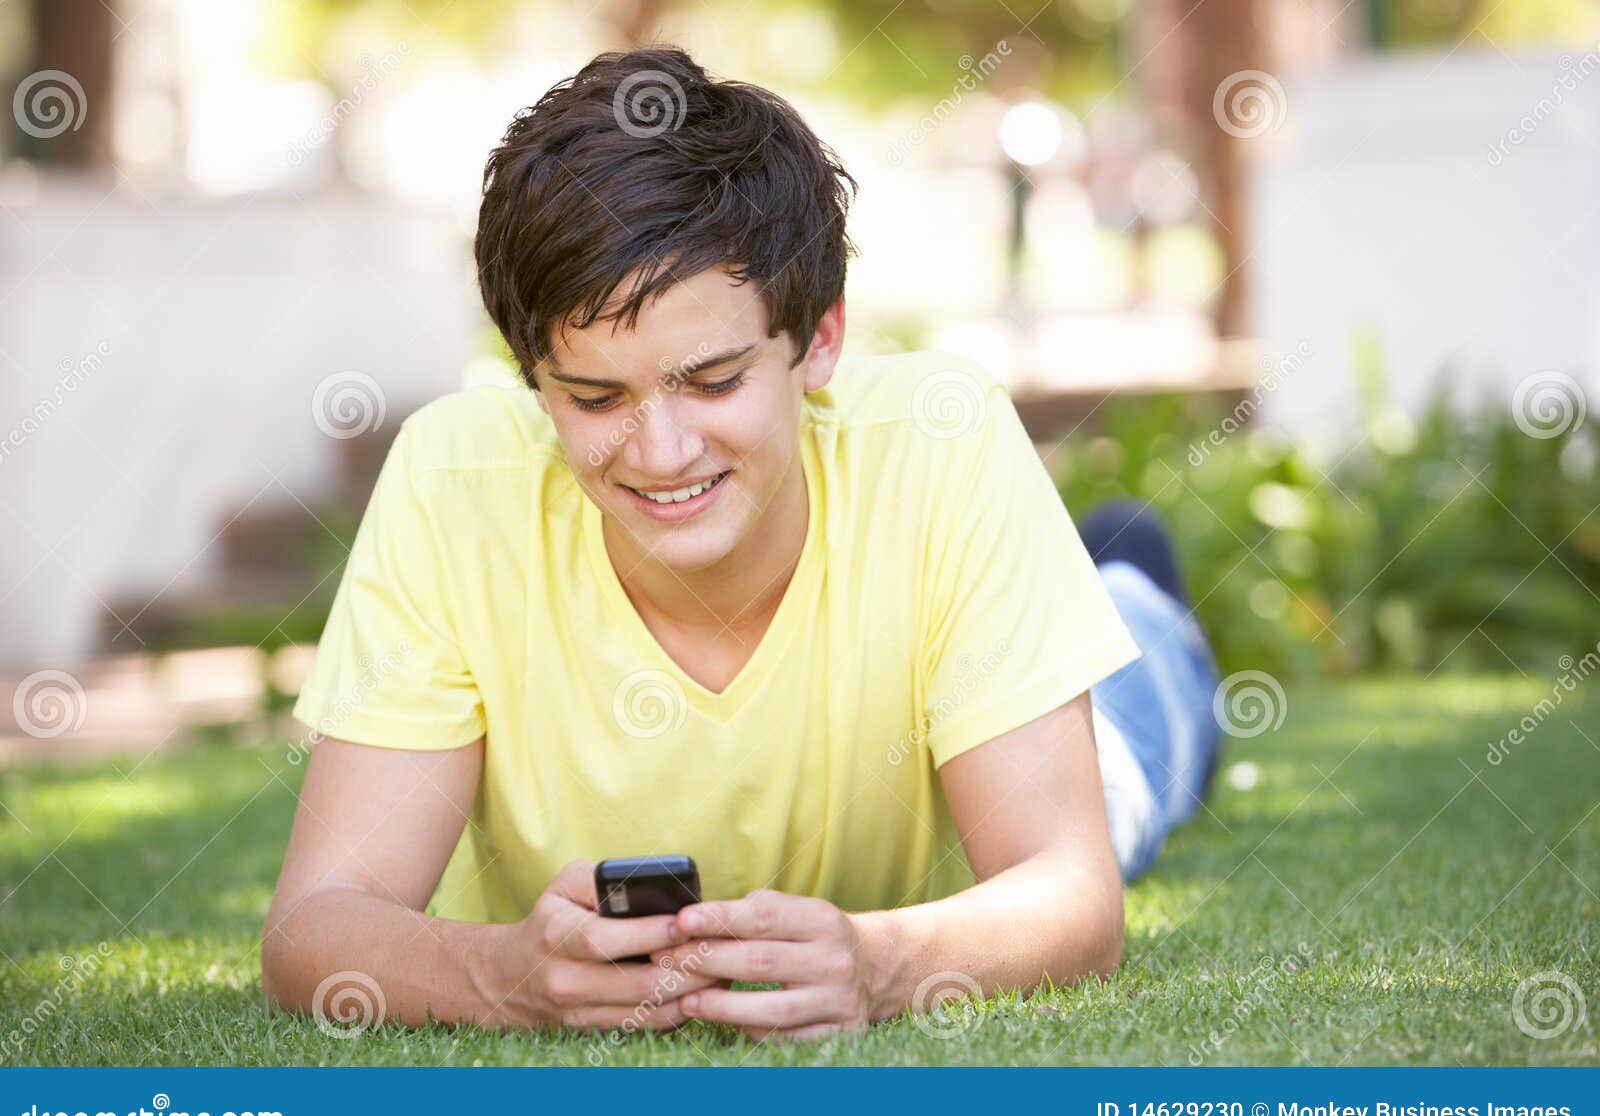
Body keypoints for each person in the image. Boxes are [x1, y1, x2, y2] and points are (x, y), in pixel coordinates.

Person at [261, 45, 1221, 1042]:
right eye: (594, 397)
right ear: (532, 378)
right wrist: (508, 975)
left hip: (1001, 751)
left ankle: (1136, 593)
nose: (661, 453)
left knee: (1123, 770)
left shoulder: (942, 437)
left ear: (820, 339)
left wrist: (882, 963)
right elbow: (311, 926)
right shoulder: (452, 480)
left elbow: (1072, 891)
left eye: (714, 381)